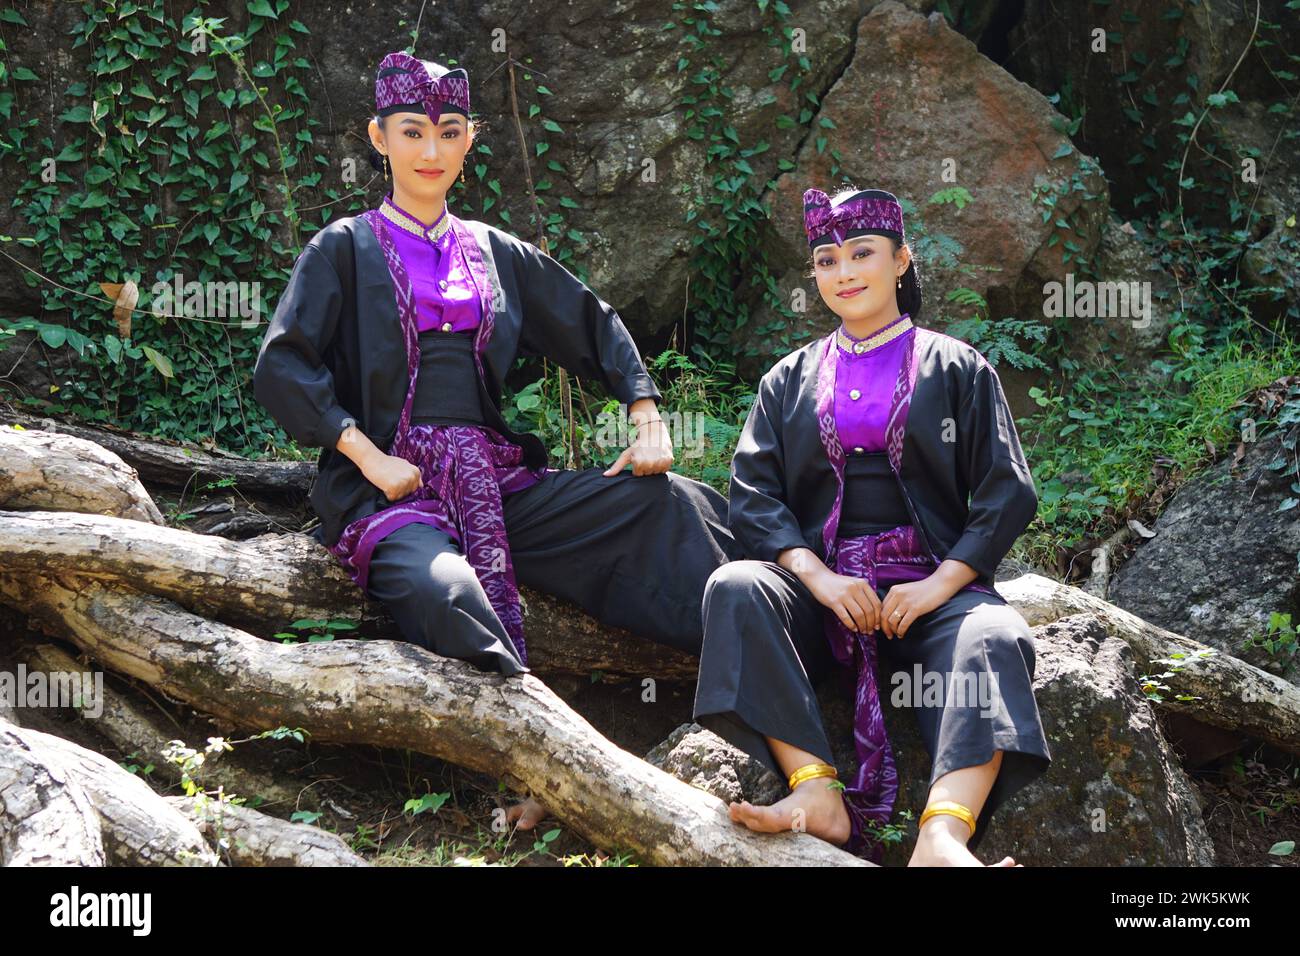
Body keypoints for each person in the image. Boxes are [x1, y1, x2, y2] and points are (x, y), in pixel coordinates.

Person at [254, 50, 740, 829]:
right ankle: (549, 765)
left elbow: (593, 322)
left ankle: (757, 677)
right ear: (379, 137)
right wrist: (367, 454)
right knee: (447, 592)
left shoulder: (494, 251)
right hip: (390, 491)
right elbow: (282, 366)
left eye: (448, 132)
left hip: (496, 481)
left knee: (669, 504)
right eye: (411, 131)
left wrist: (647, 414)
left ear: (469, 139)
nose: (430, 150)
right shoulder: (342, 248)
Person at [691, 186, 1052, 866]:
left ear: (901, 260)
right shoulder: (786, 380)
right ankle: (815, 790)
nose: (844, 272)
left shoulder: (957, 367)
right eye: (826, 260)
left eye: (861, 254)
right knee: (736, 587)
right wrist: (819, 578)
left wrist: (940, 586)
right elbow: (753, 494)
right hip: (825, 598)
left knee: (996, 634)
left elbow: (1007, 490)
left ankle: (942, 835)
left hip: (927, 591)